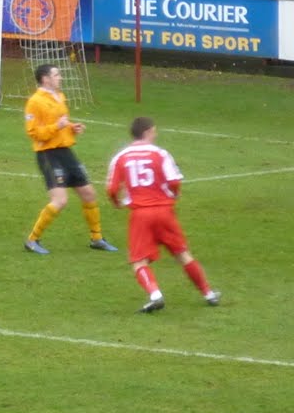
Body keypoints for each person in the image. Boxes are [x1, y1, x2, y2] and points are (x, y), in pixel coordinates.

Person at [105, 117, 221, 312]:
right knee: (182, 254)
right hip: (164, 212)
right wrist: (173, 195)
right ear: (148, 132)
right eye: (154, 131)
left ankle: (155, 294)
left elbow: (111, 189)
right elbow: (174, 181)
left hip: (140, 214)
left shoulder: (121, 157)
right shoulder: (160, 154)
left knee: (138, 260)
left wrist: (116, 202)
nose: (156, 134)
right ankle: (208, 293)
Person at [22, 63, 120, 255]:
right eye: (56, 75)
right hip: (48, 155)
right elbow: (33, 132)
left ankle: (97, 238)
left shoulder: (60, 97)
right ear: (45, 79)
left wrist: (71, 128)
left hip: (66, 152)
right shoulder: (35, 102)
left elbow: (62, 123)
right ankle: (32, 240)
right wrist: (57, 127)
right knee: (60, 200)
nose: (61, 78)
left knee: (89, 194)